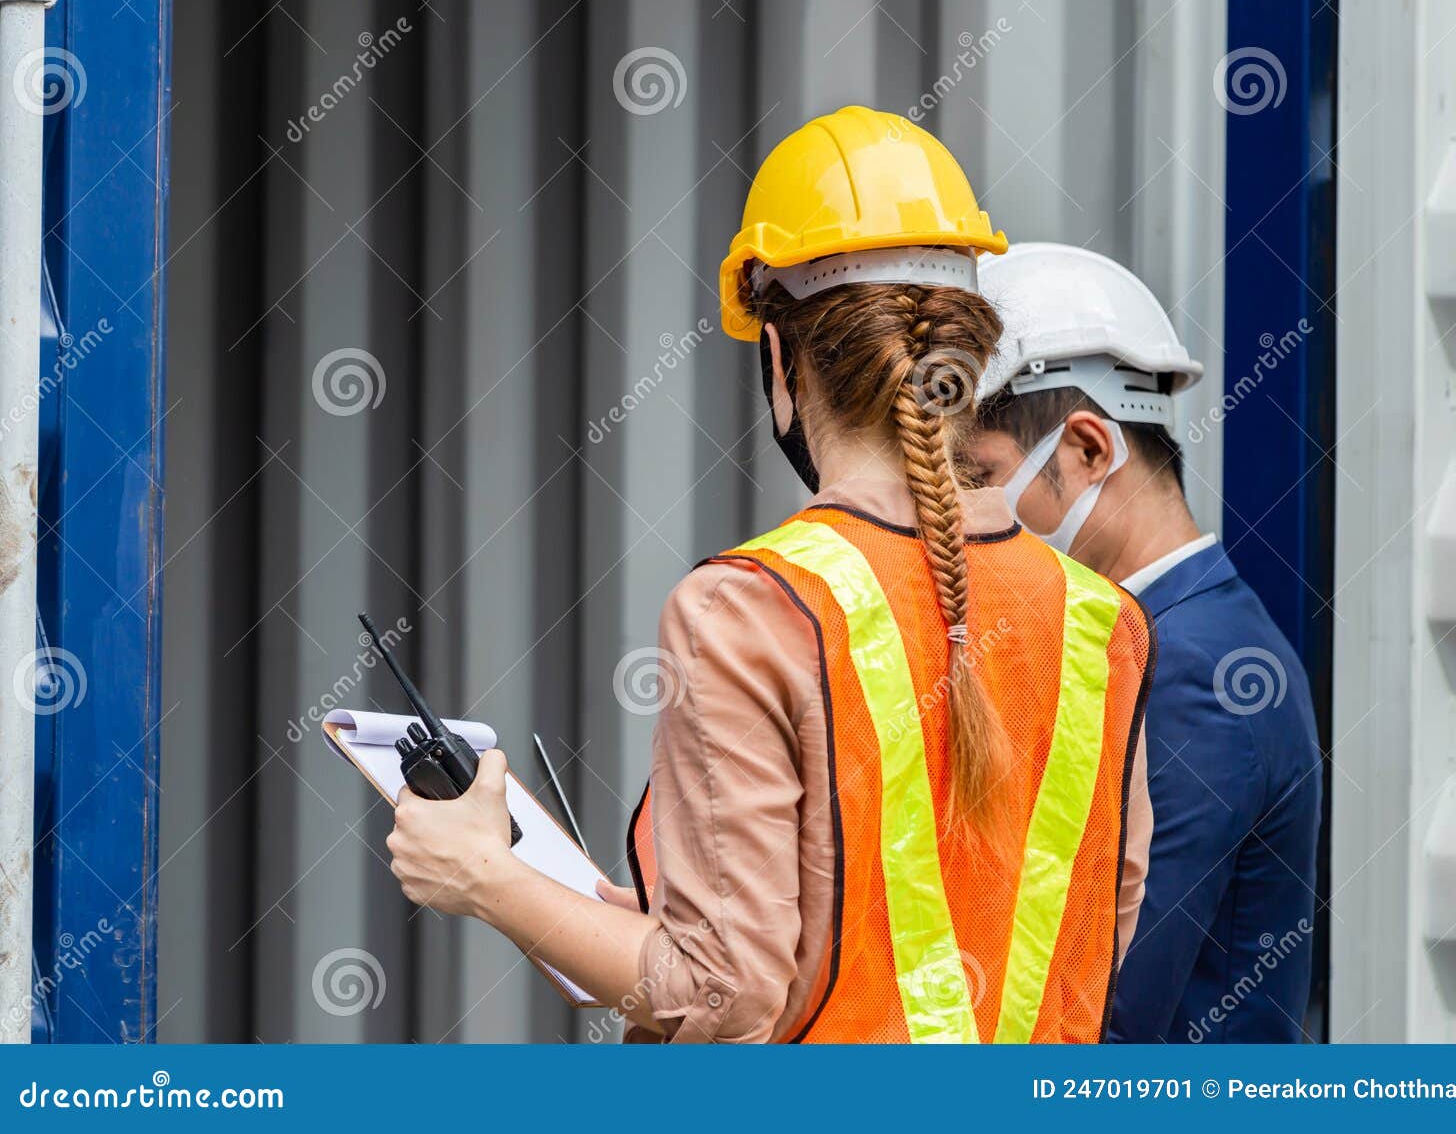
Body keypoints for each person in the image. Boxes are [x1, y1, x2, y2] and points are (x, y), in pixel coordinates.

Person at [385, 109, 1156, 1044]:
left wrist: (487, 879)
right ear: (970, 359)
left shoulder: (749, 607)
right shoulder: (1103, 621)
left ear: (783, 361)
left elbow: (723, 995)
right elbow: (1093, 921)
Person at [963, 242, 1323, 1043]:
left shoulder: (1192, 670)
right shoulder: (1175, 635)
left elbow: (1109, 1003)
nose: (965, 516)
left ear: (1089, 449)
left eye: (981, 477)